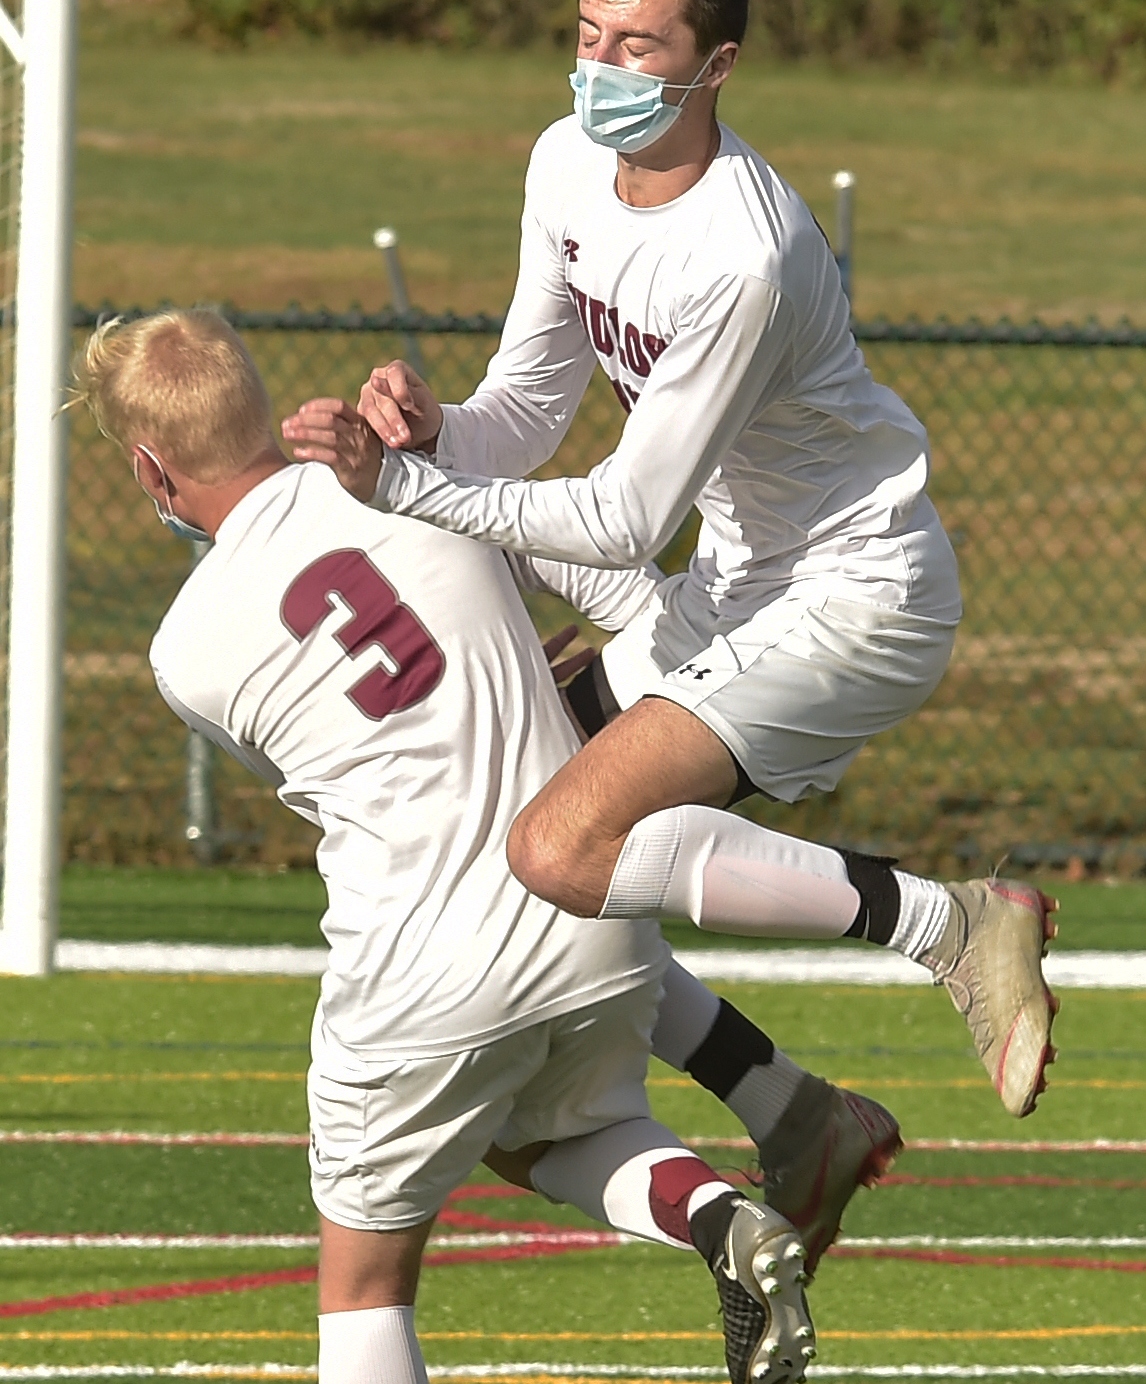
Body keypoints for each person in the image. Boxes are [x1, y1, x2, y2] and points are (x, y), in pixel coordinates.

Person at [282, 0, 1058, 1121]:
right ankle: (791, 1112)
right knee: (510, 802)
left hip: (857, 597)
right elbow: (527, 409)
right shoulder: (559, 165)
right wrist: (432, 436)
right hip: (735, 587)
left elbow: (627, 513)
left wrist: (403, 490)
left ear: (717, 65)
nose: (602, 67)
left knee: (559, 846)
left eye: (640, 46)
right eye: (590, 35)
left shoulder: (745, 253)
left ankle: (952, 925)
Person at [72, 307, 832, 1384]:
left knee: (365, 1287)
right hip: (596, 928)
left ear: (153, 472)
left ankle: (746, 1169)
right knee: (545, 1137)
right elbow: (586, 593)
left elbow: (351, 764)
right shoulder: (416, 485)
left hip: (419, 964)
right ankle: (716, 1215)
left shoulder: (185, 652)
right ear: (258, 401)